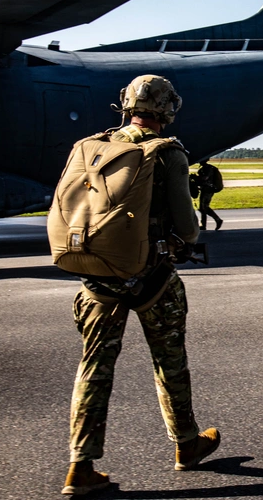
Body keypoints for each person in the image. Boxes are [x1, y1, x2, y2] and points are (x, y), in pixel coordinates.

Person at [61, 75, 219, 495]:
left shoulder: (94, 147)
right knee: (169, 362)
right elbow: (188, 232)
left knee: (94, 369)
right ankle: (186, 444)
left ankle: (81, 466)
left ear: (126, 105)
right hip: (152, 278)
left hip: (96, 280)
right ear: (168, 110)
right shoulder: (168, 153)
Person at [196, 159, 224, 230]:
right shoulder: (206, 168)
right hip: (206, 189)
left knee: (203, 207)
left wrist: (196, 178)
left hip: (208, 190)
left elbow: (205, 178)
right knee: (203, 207)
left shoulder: (208, 169)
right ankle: (204, 225)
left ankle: (217, 220)